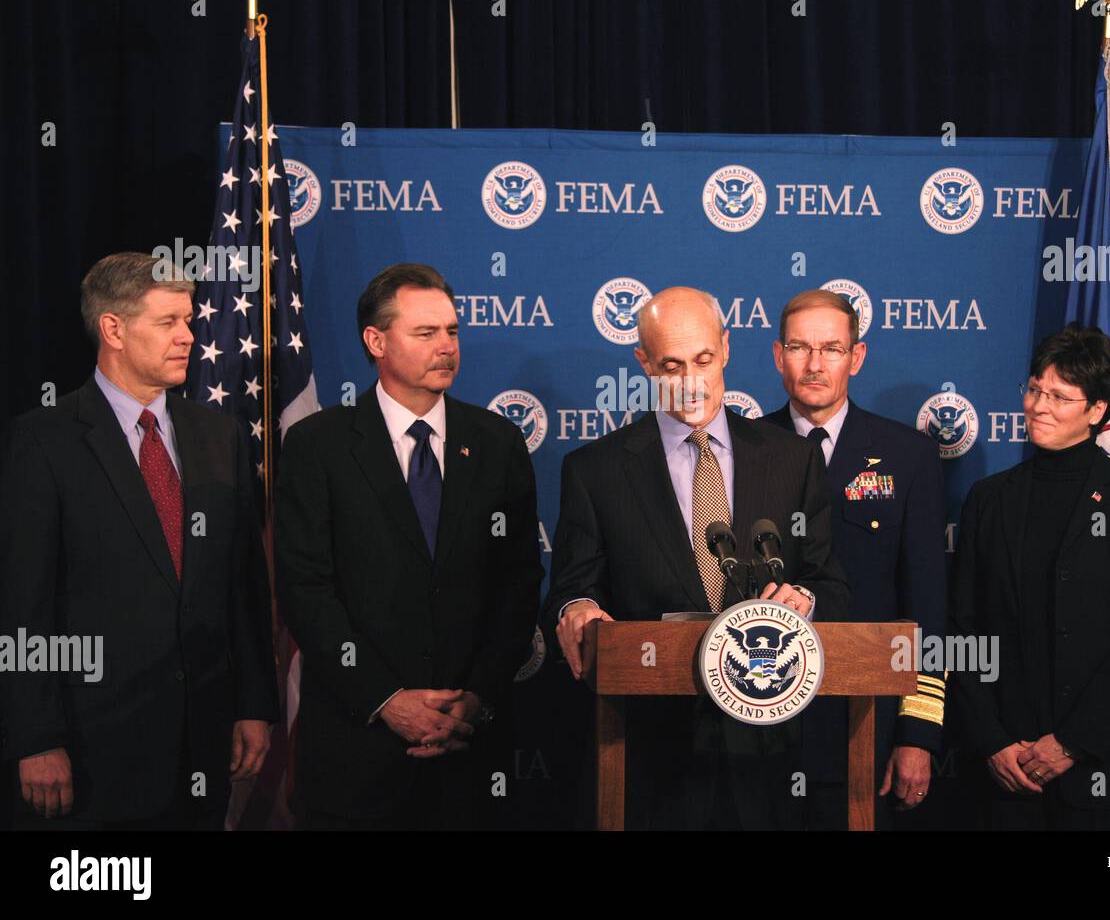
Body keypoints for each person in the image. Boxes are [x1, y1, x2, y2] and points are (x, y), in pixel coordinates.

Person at [541, 286, 849, 830]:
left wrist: (805, 596)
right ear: (643, 363)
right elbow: (573, 586)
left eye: (704, 360)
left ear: (726, 348)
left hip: (767, 753)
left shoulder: (793, 459)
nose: (691, 381)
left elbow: (828, 580)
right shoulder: (597, 470)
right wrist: (578, 609)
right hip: (649, 756)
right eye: (671, 364)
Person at [1, 252, 278, 830]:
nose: (188, 337)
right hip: (90, 752)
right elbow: (22, 605)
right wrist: (36, 737)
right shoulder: (43, 439)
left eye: (189, 319)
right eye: (169, 322)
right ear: (114, 329)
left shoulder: (218, 434)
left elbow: (242, 587)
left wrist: (254, 705)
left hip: (203, 747)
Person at [275, 263, 543, 830]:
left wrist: (475, 700)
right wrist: (387, 701)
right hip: (357, 757)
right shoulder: (317, 446)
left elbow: (517, 584)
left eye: (452, 331)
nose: (446, 347)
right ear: (376, 341)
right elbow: (306, 591)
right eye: (426, 333)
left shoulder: (497, 442)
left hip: (471, 758)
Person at [948, 323, 1110, 829]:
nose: (1038, 406)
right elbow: (962, 630)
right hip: (1008, 774)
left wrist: (1073, 742)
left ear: (1098, 411)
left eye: (1059, 396)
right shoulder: (989, 500)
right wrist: (993, 740)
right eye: (1034, 389)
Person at [761, 289, 947, 829]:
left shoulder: (907, 456)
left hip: (864, 724)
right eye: (799, 347)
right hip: (760, 723)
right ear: (777, 355)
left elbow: (927, 607)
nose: (814, 365)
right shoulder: (740, 449)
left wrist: (917, 733)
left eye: (832, 349)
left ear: (857, 357)